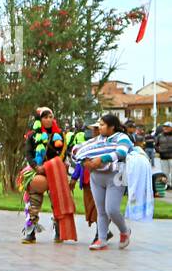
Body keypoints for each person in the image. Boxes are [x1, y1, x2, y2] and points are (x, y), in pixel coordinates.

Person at [74, 114, 134, 251]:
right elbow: (79, 150)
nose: (99, 127)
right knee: (101, 211)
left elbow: (122, 153)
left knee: (112, 210)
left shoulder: (121, 137)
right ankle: (102, 239)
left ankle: (125, 231)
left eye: (102, 125)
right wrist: (85, 162)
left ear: (112, 127)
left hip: (115, 177)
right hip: (96, 178)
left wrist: (102, 159)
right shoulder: (97, 140)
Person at [17, 107, 75, 244]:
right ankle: (30, 232)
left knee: (58, 200)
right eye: (45, 117)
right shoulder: (32, 135)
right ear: (39, 119)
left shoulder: (60, 134)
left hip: (56, 170)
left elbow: (63, 154)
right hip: (39, 171)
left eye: (51, 117)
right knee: (34, 197)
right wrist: (36, 167)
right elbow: (29, 154)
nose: (48, 120)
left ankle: (59, 230)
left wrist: (50, 167)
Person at [152, 121, 172, 196]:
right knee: (165, 172)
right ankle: (167, 185)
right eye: (164, 127)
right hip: (163, 156)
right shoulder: (160, 136)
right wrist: (159, 150)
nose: (165, 128)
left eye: (167, 127)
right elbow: (155, 145)